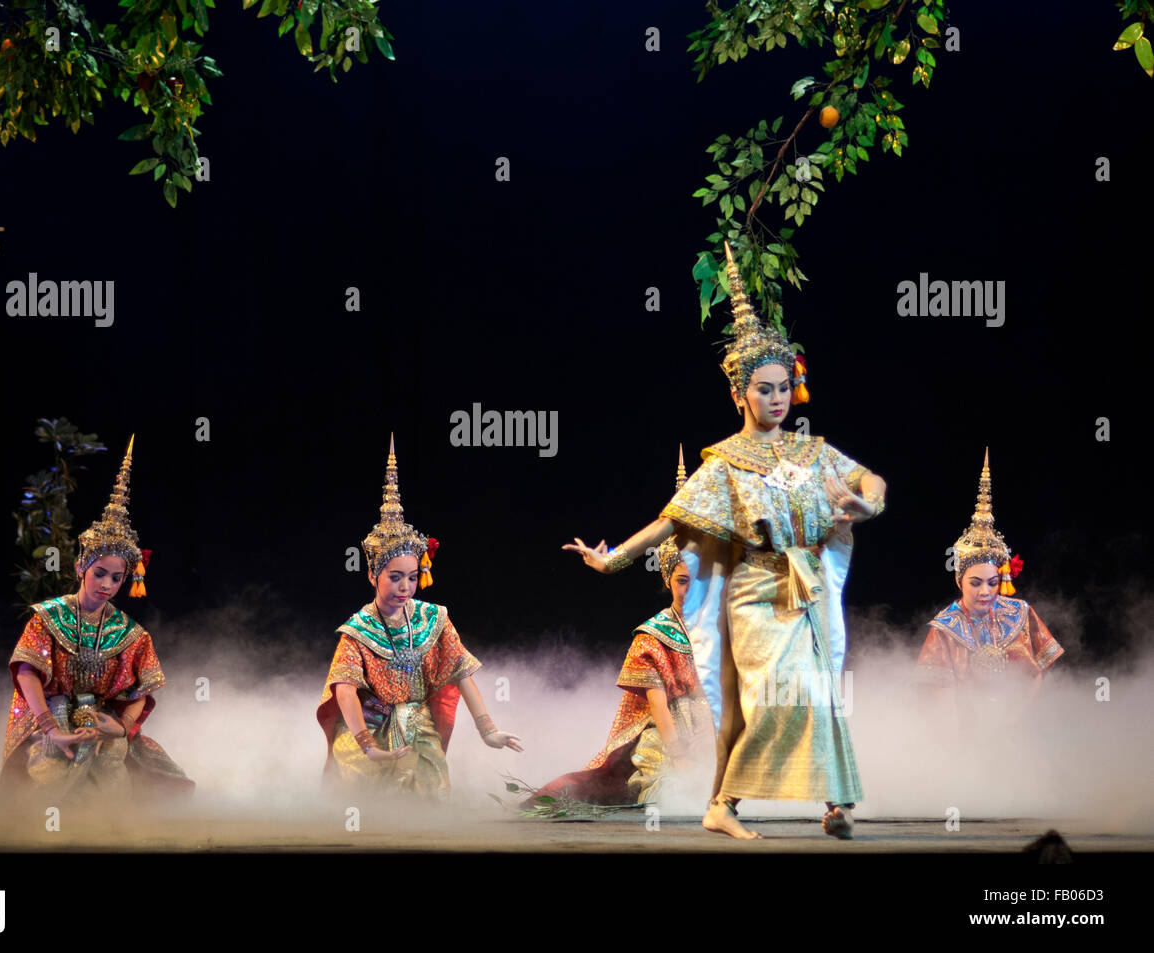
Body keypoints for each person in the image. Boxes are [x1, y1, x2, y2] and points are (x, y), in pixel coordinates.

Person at [565, 242, 886, 839]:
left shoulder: (809, 452)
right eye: (763, 389)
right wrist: (611, 561)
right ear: (739, 394)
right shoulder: (724, 465)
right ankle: (724, 806)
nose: (778, 398)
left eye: (784, 386)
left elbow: (870, 477)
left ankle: (836, 803)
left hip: (808, 587)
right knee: (768, 699)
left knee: (816, 693)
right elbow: (671, 521)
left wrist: (865, 501)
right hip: (759, 592)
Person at [316, 436, 522, 799]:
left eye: (412, 577)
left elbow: (460, 673)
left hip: (417, 724)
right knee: (362, 796)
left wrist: (487, 730)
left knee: (428, 795)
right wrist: (367, 745)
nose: (406, 587)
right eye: (395, 577)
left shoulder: (433, 618)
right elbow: (345, 689)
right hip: (371, 725)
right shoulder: (358, 630)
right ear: (372, 575)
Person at [0, 436, 193, 800]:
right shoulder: (48, 617)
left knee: (110, 770)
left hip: (102, 722)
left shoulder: (131, 633)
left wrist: (120, 728)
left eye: (118, 578)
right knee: (50, 767)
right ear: (80, 567)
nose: (107, 584)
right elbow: (26, 671)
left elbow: (142, 690)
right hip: (52, 715)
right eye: (100, 573)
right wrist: (50, 726)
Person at [532, 447, 713, 806]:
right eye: (682, 582)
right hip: (668, 736)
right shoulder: (654, 637)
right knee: (673, 794)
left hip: (713, 730)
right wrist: (680, 756)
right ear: (667, 579)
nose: (691, 592)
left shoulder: (721, 629)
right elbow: (660, 708)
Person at [914, 450, 1063, 726]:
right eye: (975, 583)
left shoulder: (1019, 614)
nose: (985, 592)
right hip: (964, 728)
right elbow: (939, 696)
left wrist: (1014, 718)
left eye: (993, 583)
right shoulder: (945, 628)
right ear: (959, 580)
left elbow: (1036, 673)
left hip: (1018, 721)